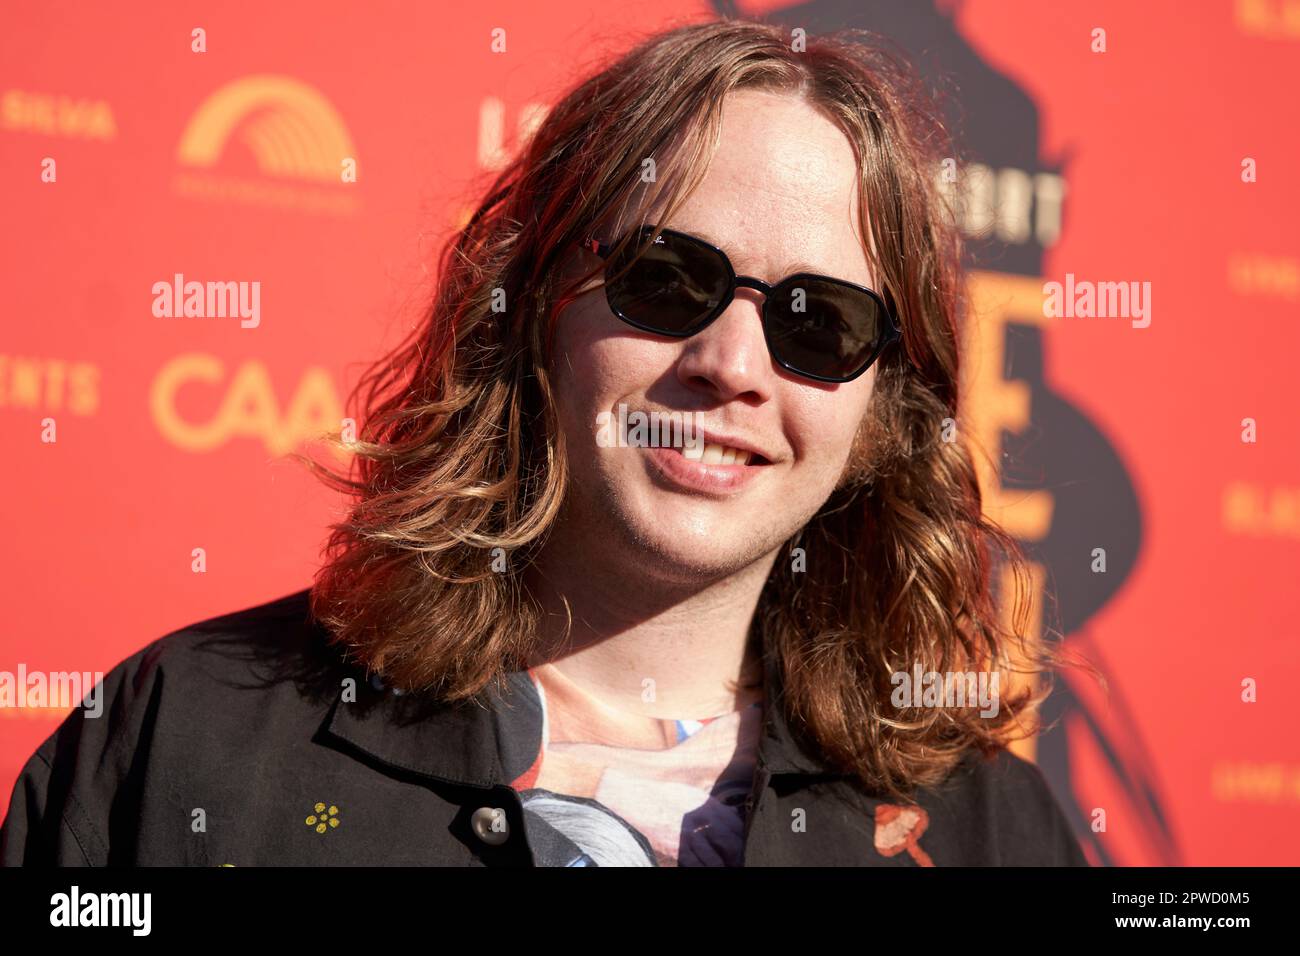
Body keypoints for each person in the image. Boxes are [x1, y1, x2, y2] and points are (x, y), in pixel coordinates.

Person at [1, 19, 1090, 867]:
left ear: (882, 410)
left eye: (820, 323)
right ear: (530, 307)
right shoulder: (185, 739)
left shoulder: (989, 831)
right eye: (667, 279)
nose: (734, 363)